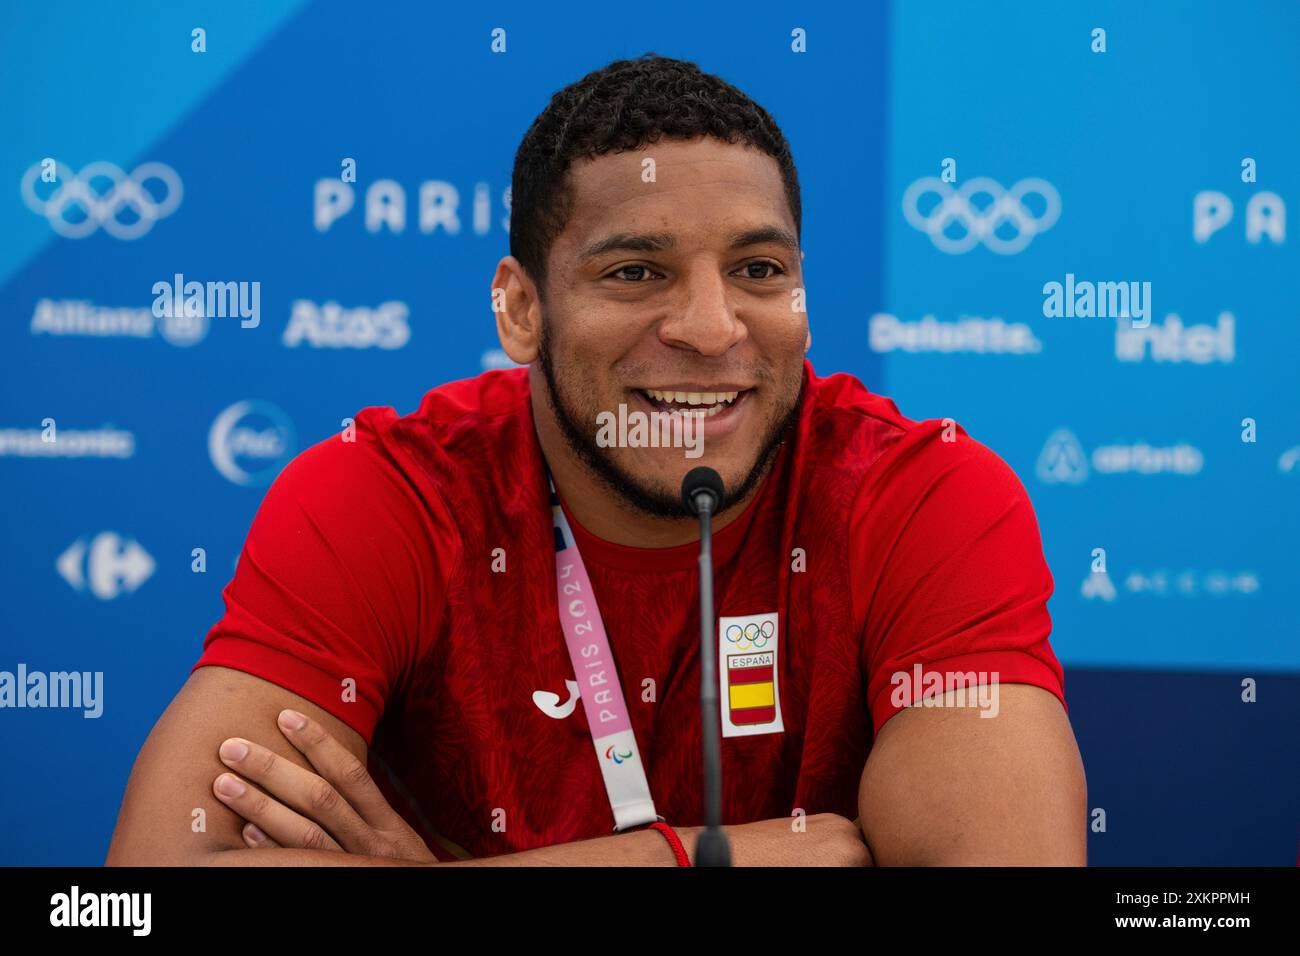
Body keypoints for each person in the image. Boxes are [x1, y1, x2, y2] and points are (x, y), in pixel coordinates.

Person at [106, 54, 1085, 867]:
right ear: (521, 309)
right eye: (635, 272)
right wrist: (681, 856)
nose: (711, 328)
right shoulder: (386, 491)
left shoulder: (924, 496)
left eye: (758, 270)